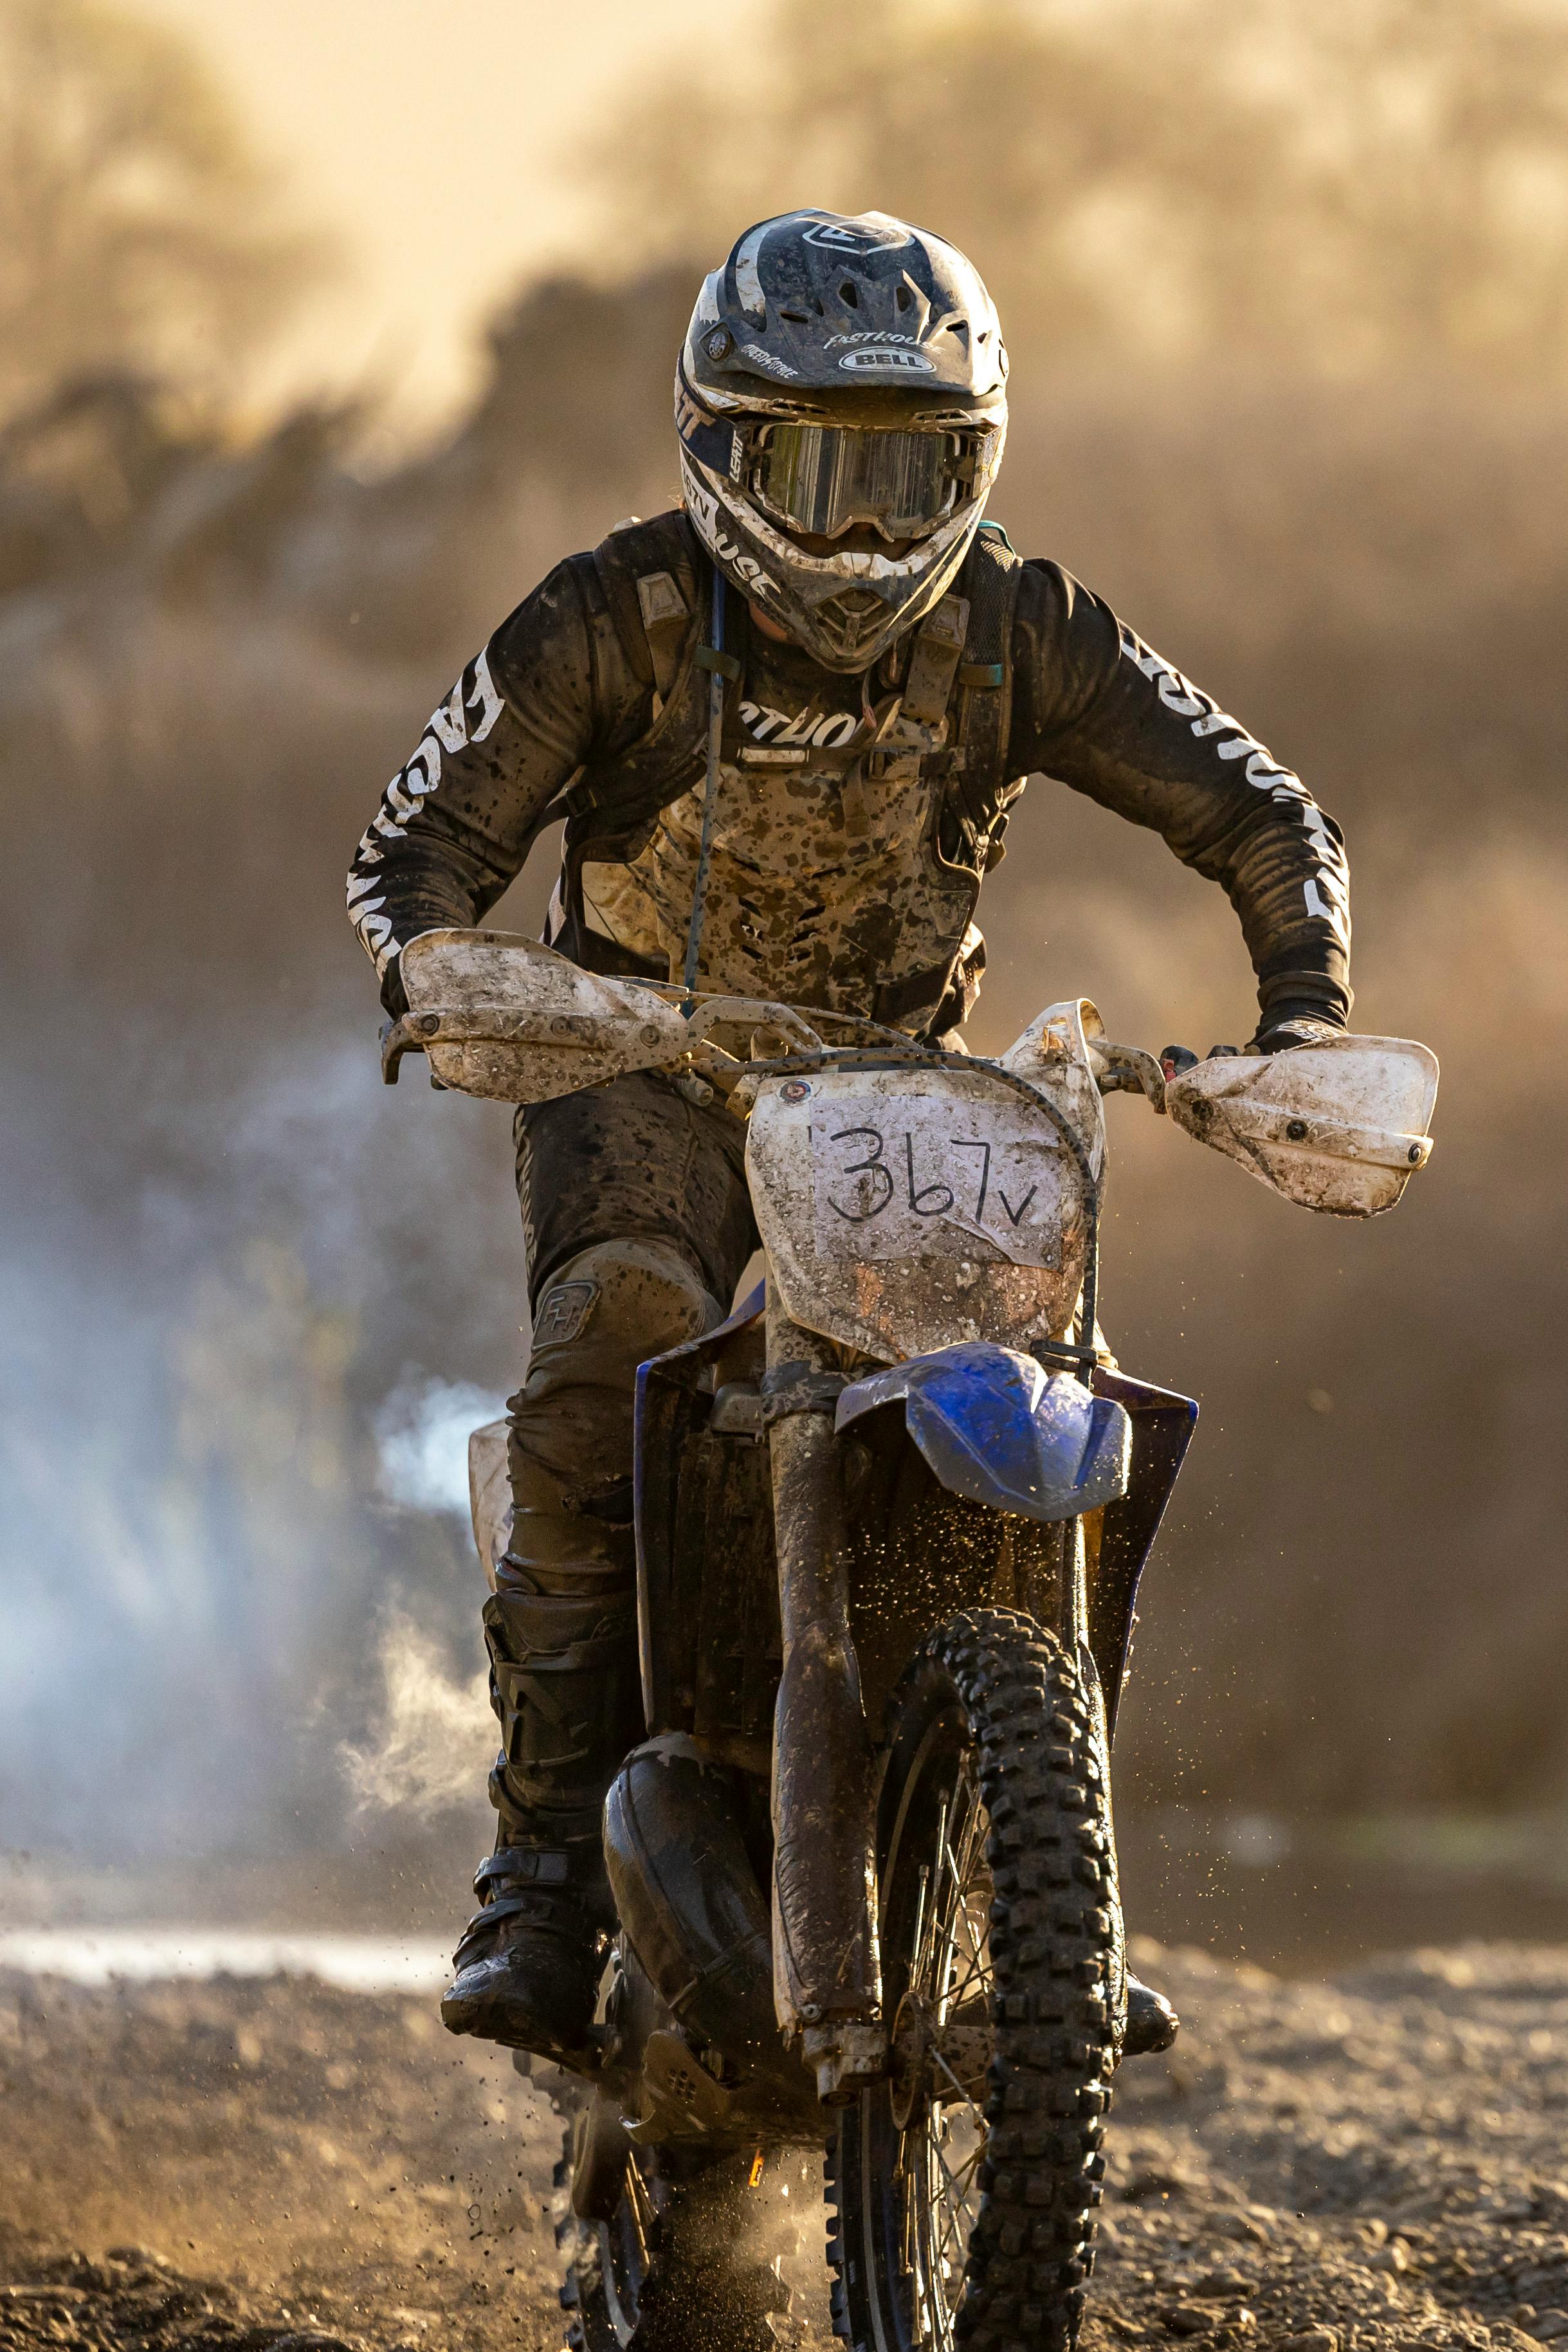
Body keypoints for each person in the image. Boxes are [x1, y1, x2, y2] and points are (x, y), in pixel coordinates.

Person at [347, 210, 1351, 2065]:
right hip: (637, 1071)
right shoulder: (613, 616)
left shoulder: (1021, 628)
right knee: (617, 1335)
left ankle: (1052, 1880)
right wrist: (437, 968)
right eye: (825, 472)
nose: (872, 532)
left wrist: (1300, 1012)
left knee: (1059, 1390)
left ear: (980, 462)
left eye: (914, 474)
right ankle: (541, 1870)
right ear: (722, 449)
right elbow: (414, 845)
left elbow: (1267, 812)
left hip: (902, 1089)